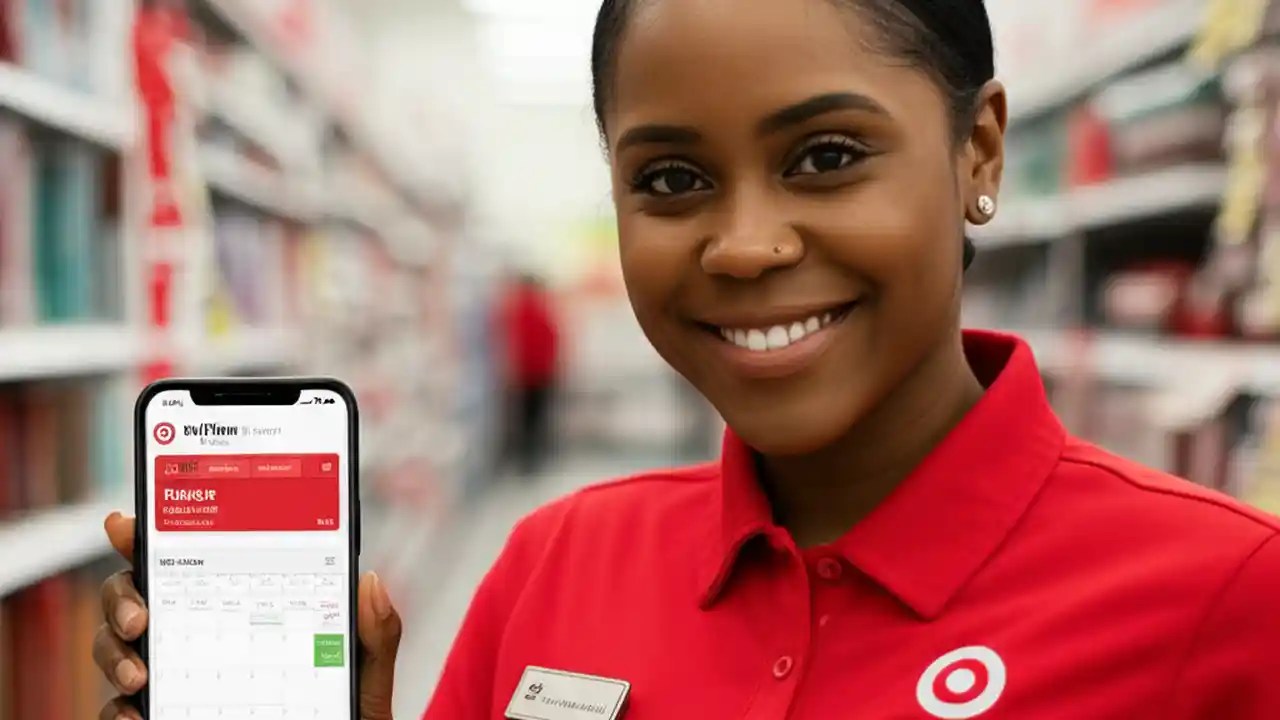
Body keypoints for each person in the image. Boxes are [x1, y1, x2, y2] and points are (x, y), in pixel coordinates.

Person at [94, 0, 1280, 718]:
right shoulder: (551, 565)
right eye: (668, 180)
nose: (745, 245)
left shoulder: (1226, 603)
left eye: (824, 156)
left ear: (976, 151)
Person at [495, 271, 561, 475]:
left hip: (526, 374)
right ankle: (532, 460)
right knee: (536, 418)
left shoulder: (515, 309)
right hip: (539, 373)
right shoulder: (541, 307)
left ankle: (527, 460)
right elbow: (552, 338)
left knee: (526, 419)